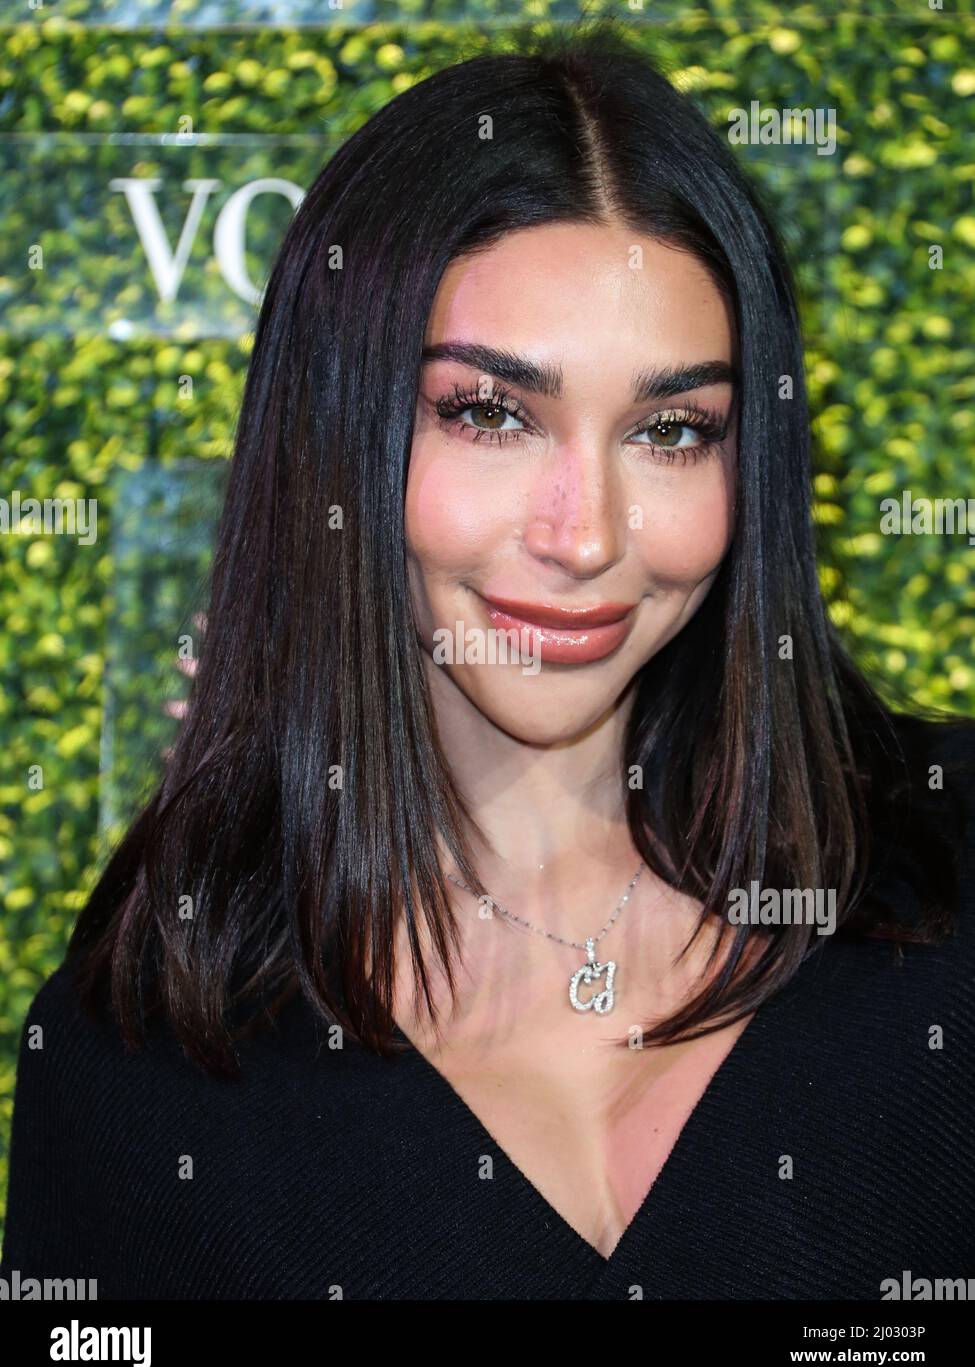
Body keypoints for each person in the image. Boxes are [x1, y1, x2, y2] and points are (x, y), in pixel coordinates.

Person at [2, 22, 974, 1300]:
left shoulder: (945, 865)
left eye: (673, 430)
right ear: (336, 435)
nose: (587, 537)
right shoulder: (142, 1069)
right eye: (489, 412)